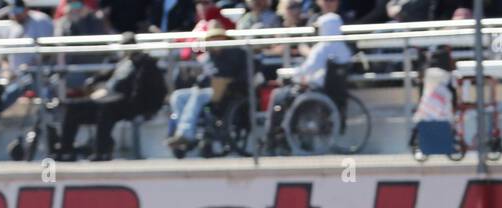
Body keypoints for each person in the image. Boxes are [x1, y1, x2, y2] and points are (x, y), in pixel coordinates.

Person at [54, 32, 167, 161]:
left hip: (131, 104)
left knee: (106, 109)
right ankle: (66, 149)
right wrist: (94, 82)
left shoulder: (145, 63)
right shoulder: (124, 62)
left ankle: (102, 151)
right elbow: (108, 77)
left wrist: (110, 94)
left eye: (128, 46)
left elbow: (137, 89)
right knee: (73, 107)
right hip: (111, 99)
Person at [265, 11, 351, 141]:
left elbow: (308, 69)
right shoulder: (345, 49)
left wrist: (291, 73)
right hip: (332, 91)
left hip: (316, 89)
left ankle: (271, 136)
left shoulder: (322, 48)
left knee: (278, 95)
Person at [166, 21, 248, 153]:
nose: (215, 40)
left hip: (227, 91)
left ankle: (186, 134)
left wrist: (228, 82)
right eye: (212, 38)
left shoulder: (237, 53)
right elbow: (203, 77)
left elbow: (240, 75)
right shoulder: (207, 57)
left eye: (217, 37)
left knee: (197, 95)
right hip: (206, 90)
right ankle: (184, 133)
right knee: (178, 96)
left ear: (224, 38)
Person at [0, 0, 54, 111]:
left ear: (26, 10)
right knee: (5, 90)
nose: (16, 16)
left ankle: (50, 113)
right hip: (15, 76)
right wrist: (7, 71)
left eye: (18, 13)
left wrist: (27, 67)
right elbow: (4, 56)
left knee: (31, 87)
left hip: (37, 72)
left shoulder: (41, 21)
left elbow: (48, 50)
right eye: (14, 13)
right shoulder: (13, 25)